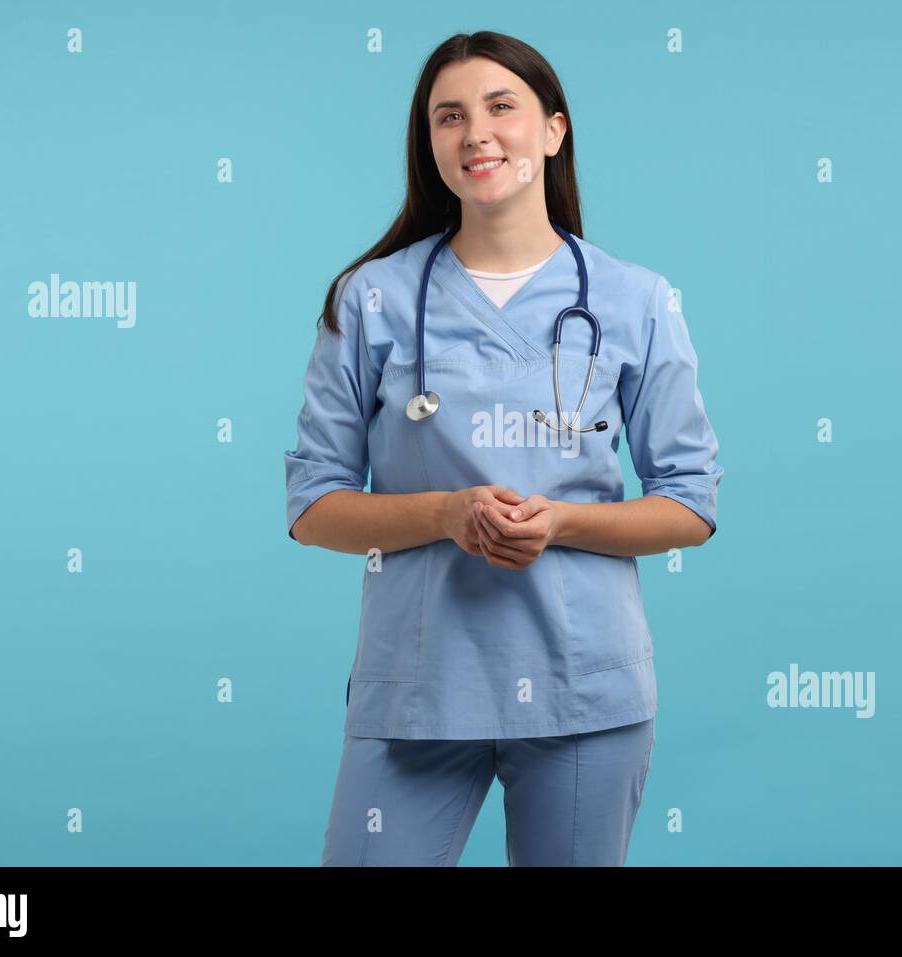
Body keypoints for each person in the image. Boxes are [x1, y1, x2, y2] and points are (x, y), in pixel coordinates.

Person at [284, 31, 723, 866]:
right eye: (448, 116)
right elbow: (314, 509)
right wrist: (448, 514)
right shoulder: (371, 299)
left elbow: (690, 504)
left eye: (500, 108)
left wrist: (559, 523)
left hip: (584, 686)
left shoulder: (637, 301)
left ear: (554, 131)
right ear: (431, 145)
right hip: (417, 686)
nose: (475, 133)